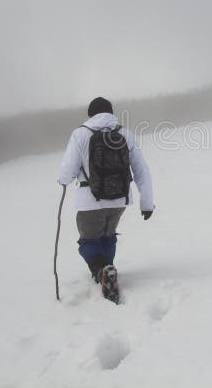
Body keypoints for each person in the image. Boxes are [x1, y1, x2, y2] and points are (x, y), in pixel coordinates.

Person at [57, 97, 155, 299]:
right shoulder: (125, 134)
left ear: (90, 114)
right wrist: (146, 203)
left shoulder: (80, 134)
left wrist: (63, 179)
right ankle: (106, 270)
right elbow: (141, 171)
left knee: (89, 241)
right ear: (111, 113)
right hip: (119, 200)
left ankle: (102, 272)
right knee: (107, 236)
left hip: (89, 200)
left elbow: (67, 172)